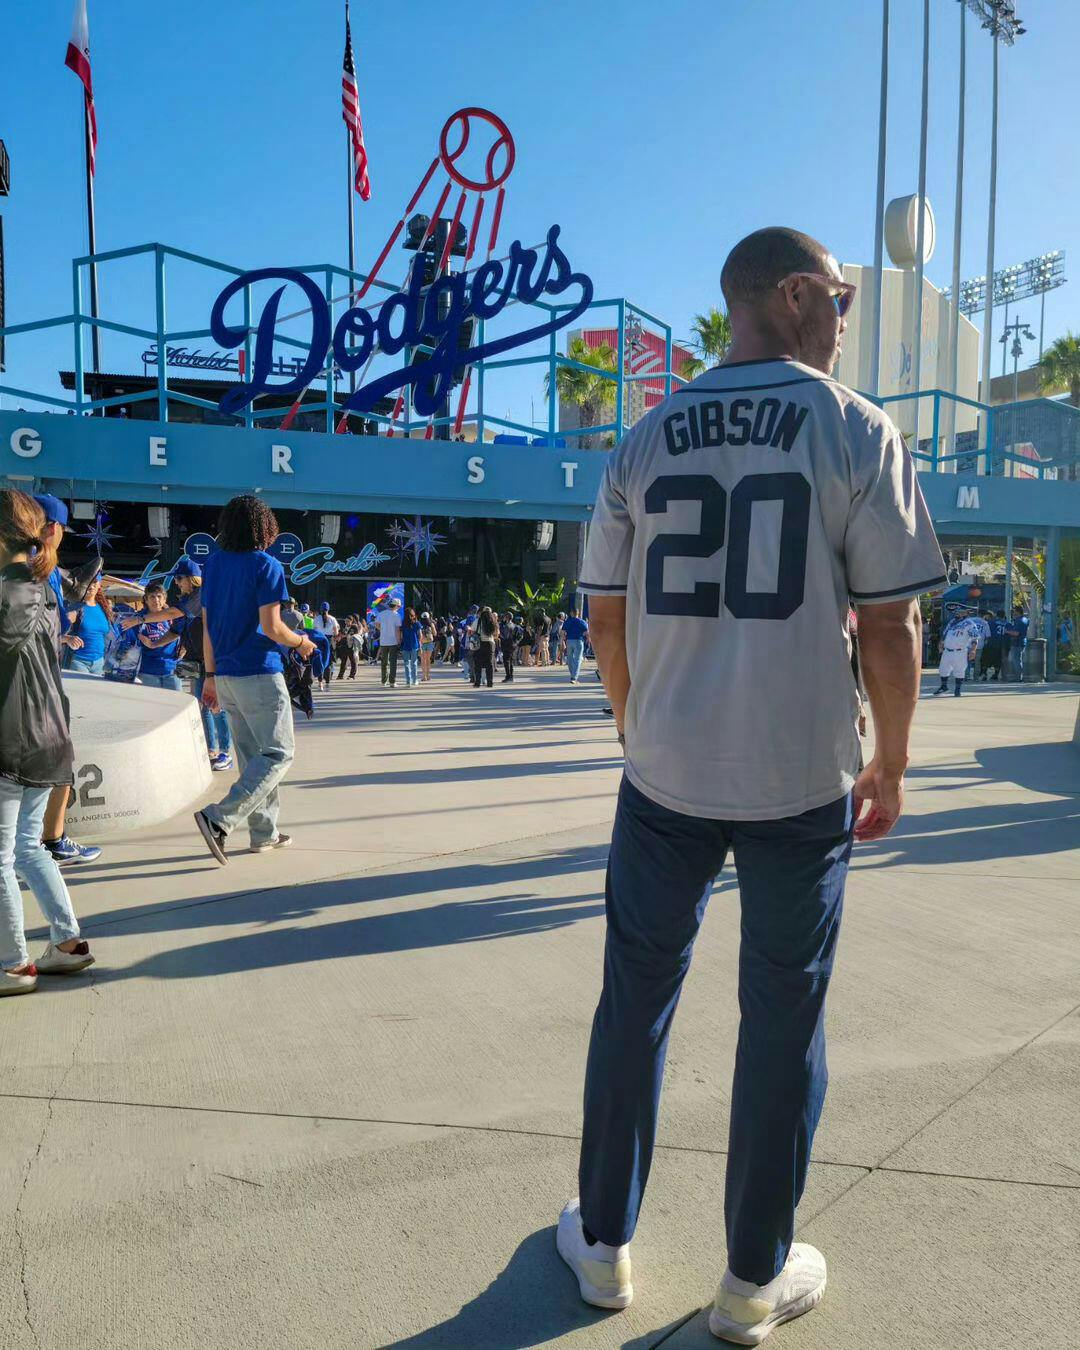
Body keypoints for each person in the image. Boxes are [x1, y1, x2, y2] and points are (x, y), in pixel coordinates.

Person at [557, 227, 946, 1343]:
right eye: (839, 296)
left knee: (635, 999)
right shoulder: (854, 427)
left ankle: (604, 1242)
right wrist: (894, 760)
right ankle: (750, 1281)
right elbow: (890, 620)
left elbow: (604, 611)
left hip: (665, 775)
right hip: (798, 779)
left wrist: (634, 721)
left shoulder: (643, 435)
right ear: (791, 295)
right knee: (783, 1020)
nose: (843, 315)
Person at [1, 489, 96, 995]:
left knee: (4, 853)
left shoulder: (7, 592)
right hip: (48, 736)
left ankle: (12, 964)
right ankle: (68, 942)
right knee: (29, 847)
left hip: (11, 739)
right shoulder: (43, 587)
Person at [194, 495, 315, 864]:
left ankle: (265, 832)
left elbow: (207, 625)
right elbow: (272, 626)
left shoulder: (213, 565)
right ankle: (219, 818)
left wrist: (211, 676)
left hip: (226, 674)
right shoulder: (267, 565)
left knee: (252, 758)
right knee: (279, 753)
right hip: (259, 671)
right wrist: (302, 642)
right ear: (265, 527)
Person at [31, 495, 102, 867]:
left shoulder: (32, 565)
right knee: (59, 761)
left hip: (36, 676)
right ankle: (52, 839)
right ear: (53, 528)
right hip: (37, 681)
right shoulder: (36, 569)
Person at [135, 583, 184, 691]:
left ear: (164, 599)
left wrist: (184, 647)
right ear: (146, 600)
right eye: (152, 596)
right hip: (148, 672)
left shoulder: (173, 617)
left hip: (172, 671)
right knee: (151, 707)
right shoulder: (138, 619)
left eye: (159, 596)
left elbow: (185, 633)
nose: (156, 600)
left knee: (176, 706)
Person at [66, 578, 114, 675]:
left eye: (95, 582)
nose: (91, 586)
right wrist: (66, 638)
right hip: (78, 662)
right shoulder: (75, 608)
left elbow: (108, 636)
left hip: (100, 663)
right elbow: (53, 634)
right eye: (88, 582)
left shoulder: (104, 608)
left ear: (99, 584)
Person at [933, 608, 983, 697]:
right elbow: (945, 634)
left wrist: (973, 650)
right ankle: (944, 686)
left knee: (959, 670)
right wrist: (941, 644)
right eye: (957, 611)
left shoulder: (969, 623)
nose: (957, 613)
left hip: (960, 651)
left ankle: (957, 690)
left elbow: (975, 638)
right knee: (943, 669)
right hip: (947, 650)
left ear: (966, 613)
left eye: (960, 611)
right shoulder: (952, 622)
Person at [312, 601, 339, 691]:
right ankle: (327, 682)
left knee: (320, 660)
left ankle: (320, 683)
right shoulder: (332, 619)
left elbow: (314, 630)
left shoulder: (316, 619)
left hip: (319, 640)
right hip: (329, 641)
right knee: (328, 661)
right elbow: (336, 632)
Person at [377, 598, 403, 687]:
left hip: (383, 641)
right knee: (393, 662)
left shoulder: (381, 614)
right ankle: (392, 682)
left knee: (384, 662)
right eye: (399, 606)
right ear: (396, 606)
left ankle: (383, 681)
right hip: (393, 641)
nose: (399, 608)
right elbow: (398, 630)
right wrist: (399, 641)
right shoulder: (397, 615)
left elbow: (377, 624)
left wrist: (383, 630)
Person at [471, 606, 499, 687]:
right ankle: (490, 682)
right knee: (489, 664)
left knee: (478, 663)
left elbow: (472, 631)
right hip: (490, 643)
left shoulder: (478, 621)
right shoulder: (493, 622)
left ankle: (477, 683)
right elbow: (496, 634)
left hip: (480, 643)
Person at [561, 607, 589, 683]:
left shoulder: (567, 621)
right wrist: (588, 639)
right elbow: (587, 633)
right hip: (579, 641)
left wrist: (563, 640)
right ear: (578, 613)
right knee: (577, 659)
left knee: (569, 659)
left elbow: (562, 632)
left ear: (571, 613)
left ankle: (572, 675)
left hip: (569, 641)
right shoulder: (582, 622)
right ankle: (574, 678)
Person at [400, 606, 422, 687]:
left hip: (405, 645)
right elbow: (420, 635)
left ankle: (408, 681)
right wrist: (420, 646)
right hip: (414, 644)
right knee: (414, 663)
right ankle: (414, 680)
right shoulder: (416, 622)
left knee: (406, 663)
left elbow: (401, 635)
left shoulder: (403, 623)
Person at [499, 611, 521, 682]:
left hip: (507, 645)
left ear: (507, 618)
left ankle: (508, 676)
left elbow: (504, 636)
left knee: (506, 661)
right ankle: (511, 676)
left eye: (505, 617)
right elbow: (520, 636)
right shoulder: (515, 625)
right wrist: (516, 642)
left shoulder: (506, 626)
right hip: (513, 645)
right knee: (511, 661)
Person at [419, 612, 436, 681]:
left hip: (422, 643)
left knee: (423, 660)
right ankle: (428, 675)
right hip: (429, 642)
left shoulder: (419, 624)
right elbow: (435, 633)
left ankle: (423, 676)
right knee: (428, 660)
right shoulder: (431, 624)